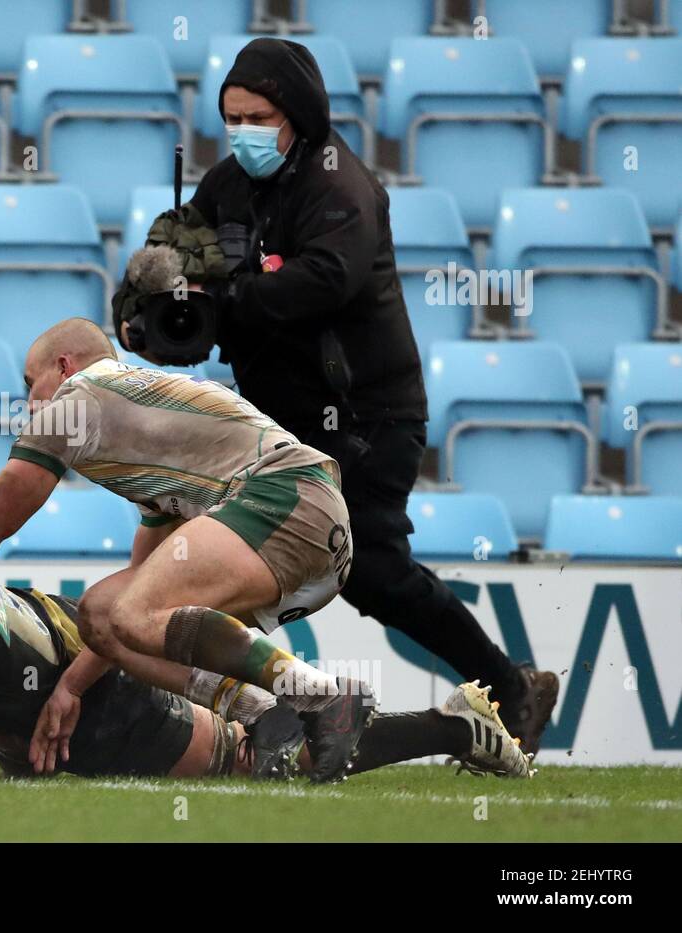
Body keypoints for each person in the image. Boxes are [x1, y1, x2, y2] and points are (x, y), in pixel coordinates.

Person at [139, 37, 557, 751]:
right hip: (274, 422)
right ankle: (214, 718)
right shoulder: (225, 188)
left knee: (373, 572)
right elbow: (182, 256)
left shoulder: (342, 187)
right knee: (229, 555)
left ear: (298, 115)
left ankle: (513, 688)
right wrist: (152, 300)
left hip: (366, 417)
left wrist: (229, 296)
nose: (242, 132)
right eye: (231, 117)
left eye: (258, 116)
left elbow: (324, 279)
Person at [0, 320, 378, 783]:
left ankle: (323, 698)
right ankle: (270, 713)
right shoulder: (154, 442)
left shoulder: (77, 403)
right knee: (110, 614)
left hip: (284, 497)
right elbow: (132, 620)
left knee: (123, 611)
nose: (31, 407)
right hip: (317, 532)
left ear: (63, 368)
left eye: (31, 386)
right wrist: (70, 687)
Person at [0, 495, 532, 781]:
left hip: (98, 702)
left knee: (262, 761)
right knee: (249, 725)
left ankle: (458, 724)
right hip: (56, 648)